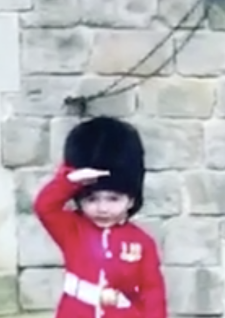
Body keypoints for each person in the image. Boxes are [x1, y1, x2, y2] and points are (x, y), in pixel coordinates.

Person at [33, 116, 167, 318]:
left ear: (130, 200)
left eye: (113, 199)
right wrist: (70, 180)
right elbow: (44, 206)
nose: (102, 208)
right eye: (92, 199)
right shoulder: (71, 229)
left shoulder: (143, 242)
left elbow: (152, 292)